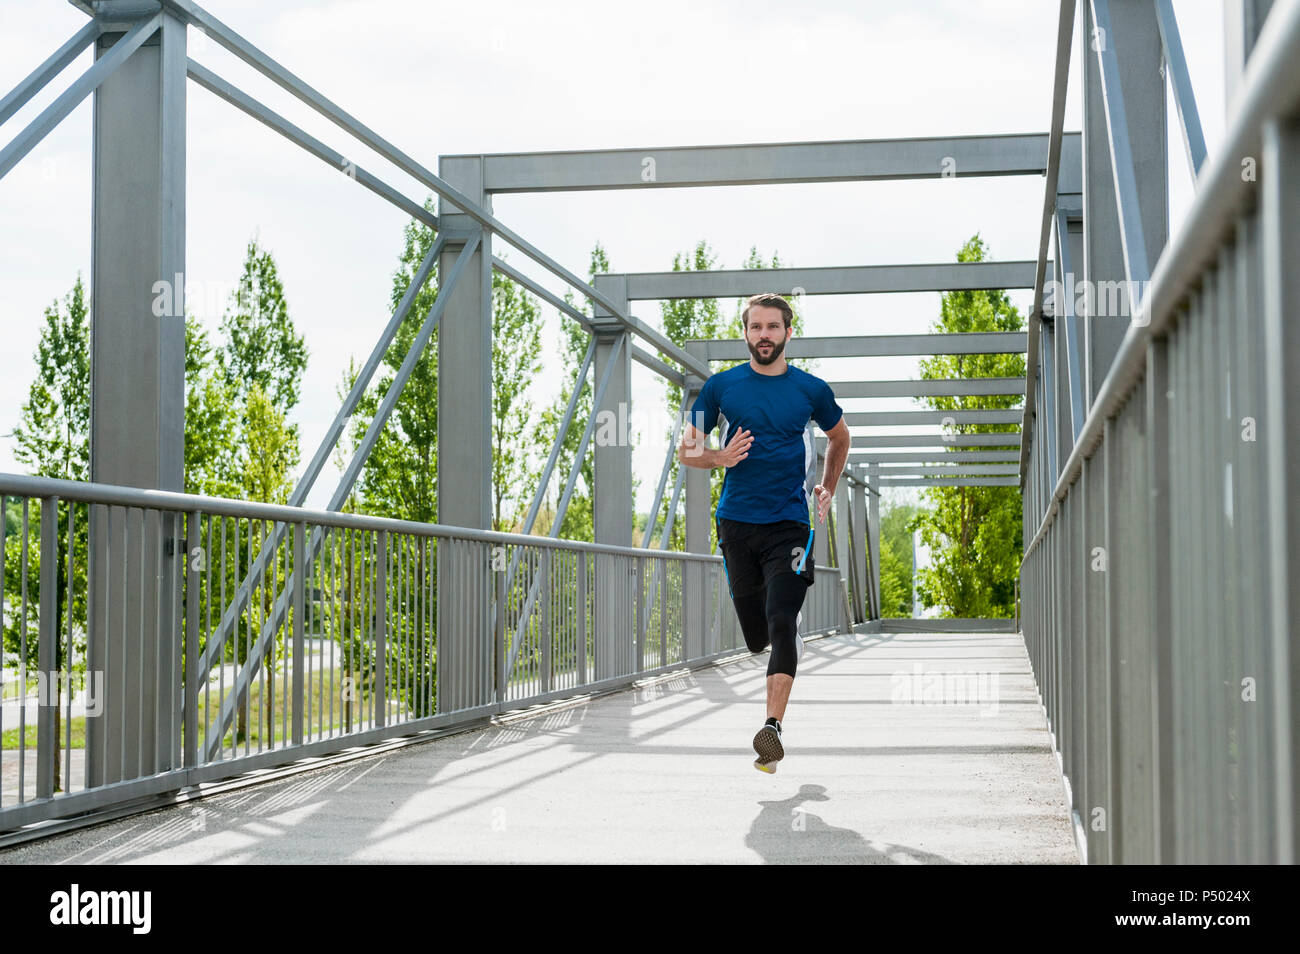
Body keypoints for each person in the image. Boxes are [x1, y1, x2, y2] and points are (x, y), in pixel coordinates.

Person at [678, 292, 851, 773]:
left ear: (788, 333)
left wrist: (828, 488)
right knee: (756, 634)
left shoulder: (810, 390)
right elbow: (686, 451)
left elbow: (841, 437)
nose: (764, 336)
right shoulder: (721, 388)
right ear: (746, 333)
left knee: (781, 620)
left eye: (773, 327)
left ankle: (771, 728)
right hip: (736, 523)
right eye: (756, 327)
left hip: (790, 524)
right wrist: (719, 458)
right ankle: (773, 635)